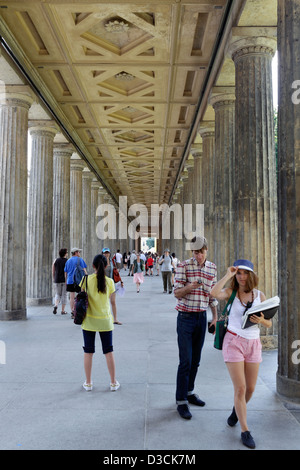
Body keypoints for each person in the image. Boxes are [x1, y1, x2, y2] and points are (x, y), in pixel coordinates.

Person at [210, 259, 271, 449]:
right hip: (233, 342)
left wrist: (261, 321)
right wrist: (228, 274)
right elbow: (213, 293)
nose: (242, 277)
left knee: (251, 388)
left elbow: (269, 323)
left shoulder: (259, 295)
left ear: (251, 275)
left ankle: (237, 411)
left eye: (245, 273)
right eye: (239, 273)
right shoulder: (231, 292)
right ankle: (245, 431)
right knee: (241, 388)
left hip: (253, 343)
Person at [174, 236, 218, 420]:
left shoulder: (212, 268)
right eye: (195, 252)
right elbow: (177, 293)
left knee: (196, 361)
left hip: (201, 317)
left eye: (201, 252)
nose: (198, 255)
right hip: (185, 317)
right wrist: (190, 287)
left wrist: (215, 317)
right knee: (185, 361)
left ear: (206, 251)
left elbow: (212, 295)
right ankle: (181, 400)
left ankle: (189, 392)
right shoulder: (183, 266)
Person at [80, 254, 120, 392]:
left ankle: (89, 383)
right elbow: (112, 302)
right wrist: (115, 318)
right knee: (108, 351)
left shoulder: (85, 280)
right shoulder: (109, 282)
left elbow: (82, 298)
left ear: (93, 266)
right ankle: (113, 383)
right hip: (105, 320)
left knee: (88, 352)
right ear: (107, 266)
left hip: (89, 320)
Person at [64, 248, 87, 318]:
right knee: (81, 296)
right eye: (79, 252)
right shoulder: (80, 260)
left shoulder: (68, 261)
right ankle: (80, 311)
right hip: (79, 281)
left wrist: (66, 281)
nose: (79, 253)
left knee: (71, 297)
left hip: (70, 281)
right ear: (76, 252)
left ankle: (73, 311)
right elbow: (84, 270)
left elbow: (66, 272)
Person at [102, 247, 123, 325]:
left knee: (113, 301)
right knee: (104, 302)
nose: (106, 254)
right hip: (103, 284)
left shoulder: (112, 261)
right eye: (105, 253)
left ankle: (115, 319)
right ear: (102, 253)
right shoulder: (101, 262)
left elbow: (116, 272)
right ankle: (104, 318)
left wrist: (121, 281)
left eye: (107, 253)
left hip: (111, 283)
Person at [52, 248, 68, 315]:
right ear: (65, 254)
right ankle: (63, 310)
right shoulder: (67, 261)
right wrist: (66, 280)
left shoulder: (55, 260)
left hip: (57, 279)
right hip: (64, 280)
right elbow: (66, 272)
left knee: (57, 294)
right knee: (64, 294)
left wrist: (54, 278)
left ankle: (56, 305)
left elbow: (53, 270)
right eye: (67, 252)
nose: (67, 253)